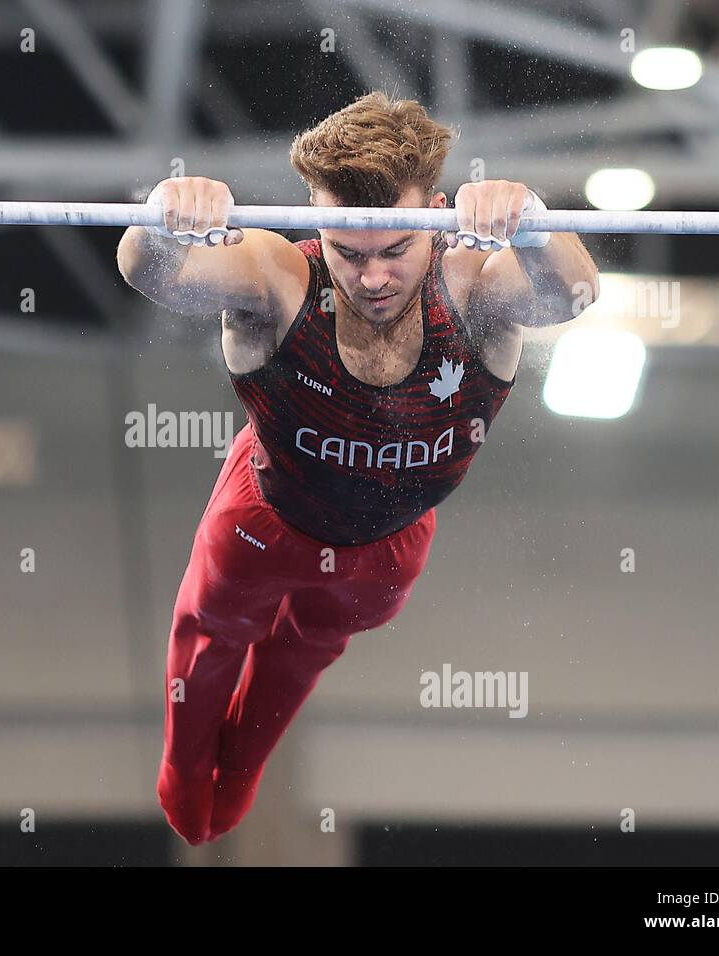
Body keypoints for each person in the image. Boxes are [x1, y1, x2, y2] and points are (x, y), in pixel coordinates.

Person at [115, 92, 600, 845]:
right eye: (348, 252)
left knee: (299, 656)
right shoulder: (276, 279)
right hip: (262, 521)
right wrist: (161, 218)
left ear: (437, 214)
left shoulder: (476, 290)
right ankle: (183, 773)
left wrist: (533, 221)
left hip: (386, 552)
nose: (372, 277)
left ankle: (237, 775)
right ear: (314, 220)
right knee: (212, 635)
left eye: (395, 250)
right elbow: (153, 275)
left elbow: (572, 293)